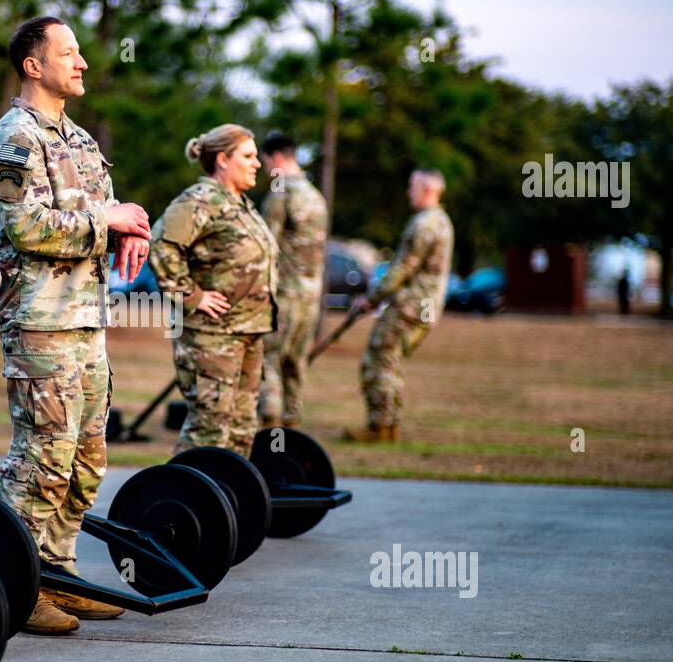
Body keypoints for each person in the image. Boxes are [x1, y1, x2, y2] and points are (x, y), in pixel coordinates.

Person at [0, 16, 152, 635]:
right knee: (42, 457)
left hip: (86, 319)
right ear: (34, 65)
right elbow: (24, 227)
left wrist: (132, 233)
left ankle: (56, 575)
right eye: (69, 53)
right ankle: (13, 586)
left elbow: (106, 215)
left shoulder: (79, 139)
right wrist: (107, 222)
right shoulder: (15, 138)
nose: (82, 64)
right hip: (39, 322)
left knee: (85, 459)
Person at [150, 124, 278, 456]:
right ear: (223, 159)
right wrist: (193, 297)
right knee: (209, 429)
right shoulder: (200, 200)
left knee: (241, 428)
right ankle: (185, 503)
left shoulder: (240, 204)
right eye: (248, 156)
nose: (257, 163)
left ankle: (229, 503)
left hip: (248, 331)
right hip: (211, 336)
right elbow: (161, 246)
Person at [346, 169, 454, 443]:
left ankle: (380, 426)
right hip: (425, 305)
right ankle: (387, 425)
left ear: (427, 190)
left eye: (412, 187)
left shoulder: (423, 224)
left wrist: (372, 299)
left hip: (410, 304)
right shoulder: (442, 222)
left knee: (379, 359)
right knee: (390, 361)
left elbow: (402, 269)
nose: (409, 192)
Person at [257, 132, 329, 429]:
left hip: (284, 292)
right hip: (311, 294)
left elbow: (265, 246)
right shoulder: (315, 196)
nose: (262, 170)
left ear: (275, 158)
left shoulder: (280, 193)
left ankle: (270, 426)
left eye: (263, 162)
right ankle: (292, 424)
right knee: (296, 362)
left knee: (269, 357)